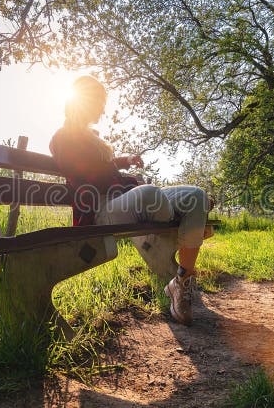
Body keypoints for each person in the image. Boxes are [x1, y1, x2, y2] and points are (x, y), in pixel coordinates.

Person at [49, 75, 210, 325]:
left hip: (126, 198)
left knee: (196, 196)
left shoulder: (91, 137)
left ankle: (181, 281)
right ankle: (186, 225)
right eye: (99, 102)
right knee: (150, 193)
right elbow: (80, 170)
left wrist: (123, 163)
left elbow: (105, 166)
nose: (102, 108)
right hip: (104, 207)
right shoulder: (62, 136)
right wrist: (114, 168)